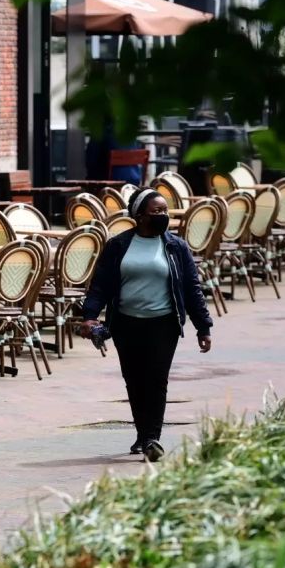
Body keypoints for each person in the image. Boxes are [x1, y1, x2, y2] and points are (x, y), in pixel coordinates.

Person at [78, 188, 212, 462]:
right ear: (139, 216)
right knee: (134, 379)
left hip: (164, 323)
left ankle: (152, 437)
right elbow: (100, 284)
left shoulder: (176, 246)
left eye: (165, 210)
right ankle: (142, 434)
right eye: (157, 211)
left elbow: (191, 288)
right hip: (125, 323)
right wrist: (90, 316)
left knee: (156, 379)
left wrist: (203, 326)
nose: (163, 215)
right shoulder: (119, 245)